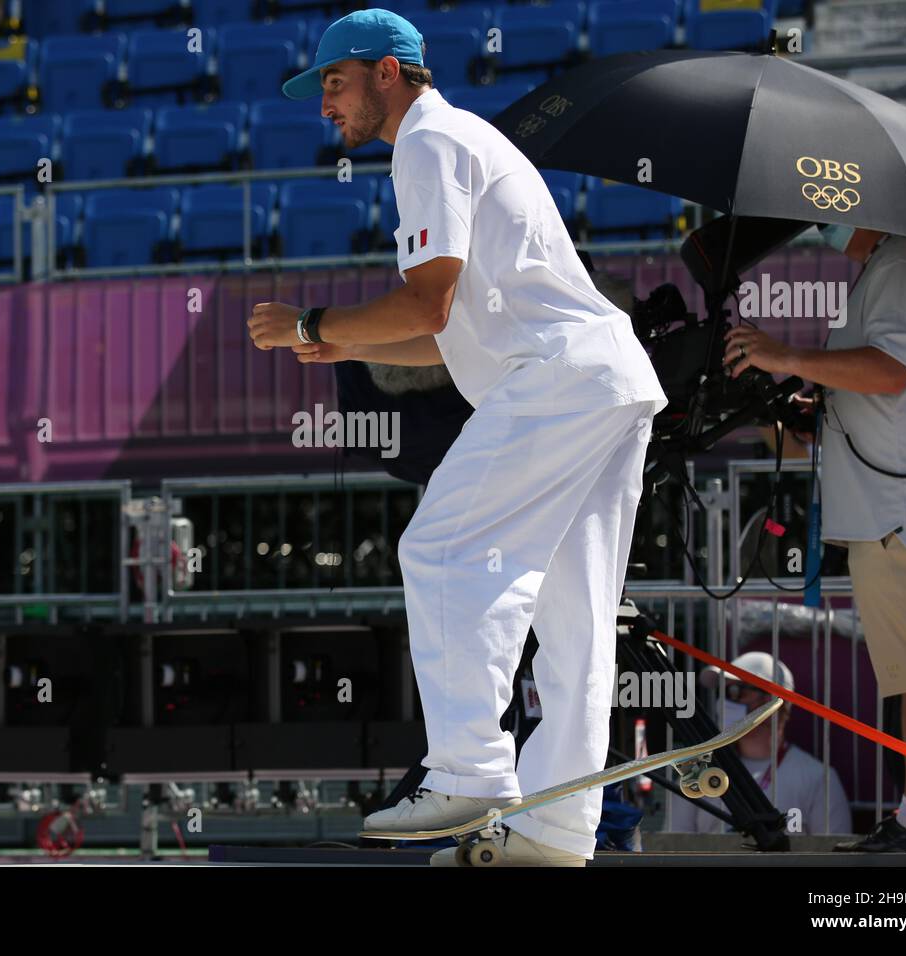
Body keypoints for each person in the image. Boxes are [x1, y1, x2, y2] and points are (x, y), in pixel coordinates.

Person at [247, 9, 668, 866]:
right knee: (575, 625)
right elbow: (443, 332)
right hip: (605, 380)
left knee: (440, 549)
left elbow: (426, 305)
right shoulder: (459, 137)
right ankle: (555, 833)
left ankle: (471, 771)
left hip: (556, 380)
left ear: (387, 73)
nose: (325, 105)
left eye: (333, 82)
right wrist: (334, 340)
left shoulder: (427, 144)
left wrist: (312, 320)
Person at [721, 224, 906, 852]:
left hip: (904, 510)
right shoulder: (897, 264)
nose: (824, 220)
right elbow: (887, 391)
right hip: (894, 509)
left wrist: (786, 357)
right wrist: (809, 412)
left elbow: (891, 371)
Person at [667, 652, 852, 836]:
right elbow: (672, 849)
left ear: (771, 701)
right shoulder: (697, 774)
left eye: (736, 692)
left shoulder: (818, 779)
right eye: (723, 692)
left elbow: (833, 856)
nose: (724, 702)